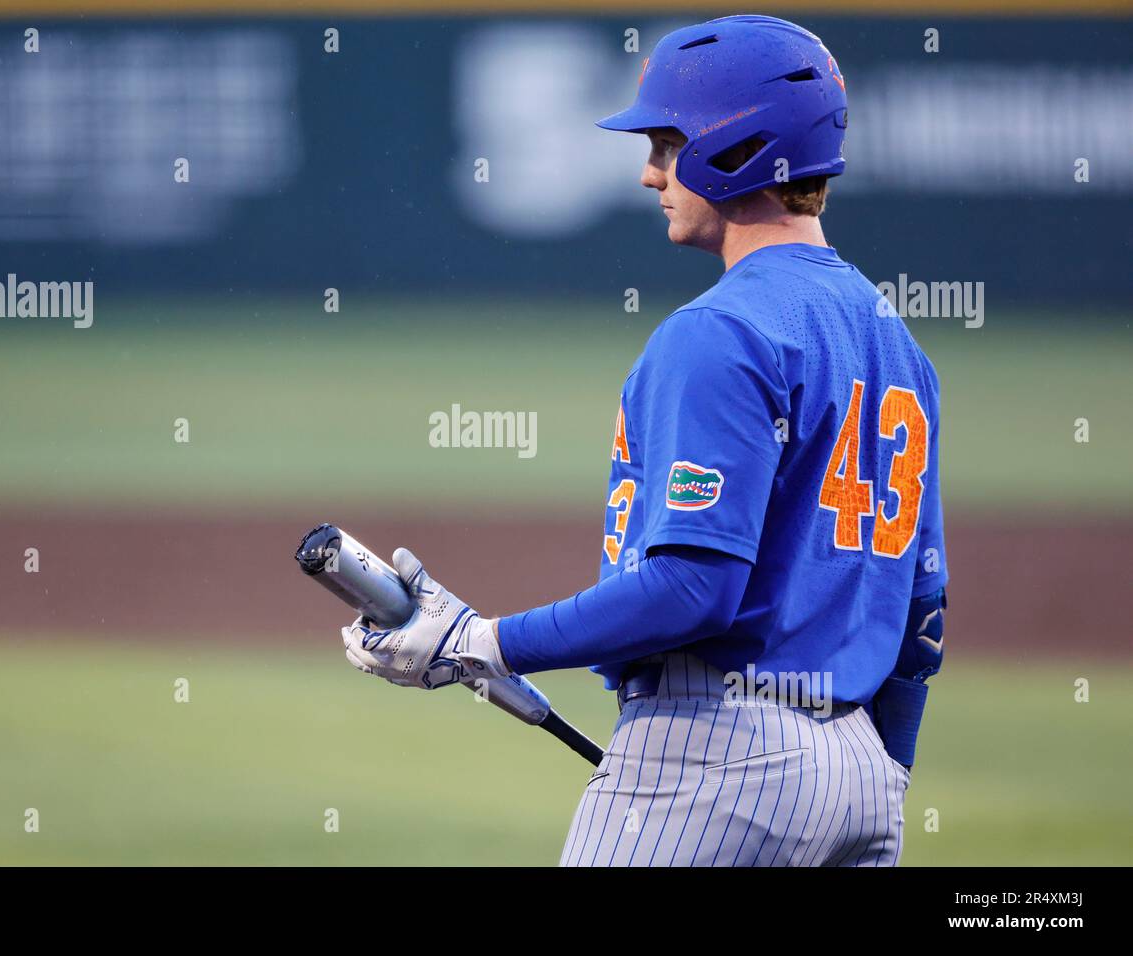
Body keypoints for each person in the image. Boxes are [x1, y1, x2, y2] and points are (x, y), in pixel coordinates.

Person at [341, 14, 947, 867]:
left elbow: (691, 590)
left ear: (731, 150)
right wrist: (881, 776)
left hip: (714, 757)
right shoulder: (898, 346)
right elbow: (922, 618)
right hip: (860, 771)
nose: (648, 172)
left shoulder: (721, 331)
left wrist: (483, 642)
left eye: (667, 143)